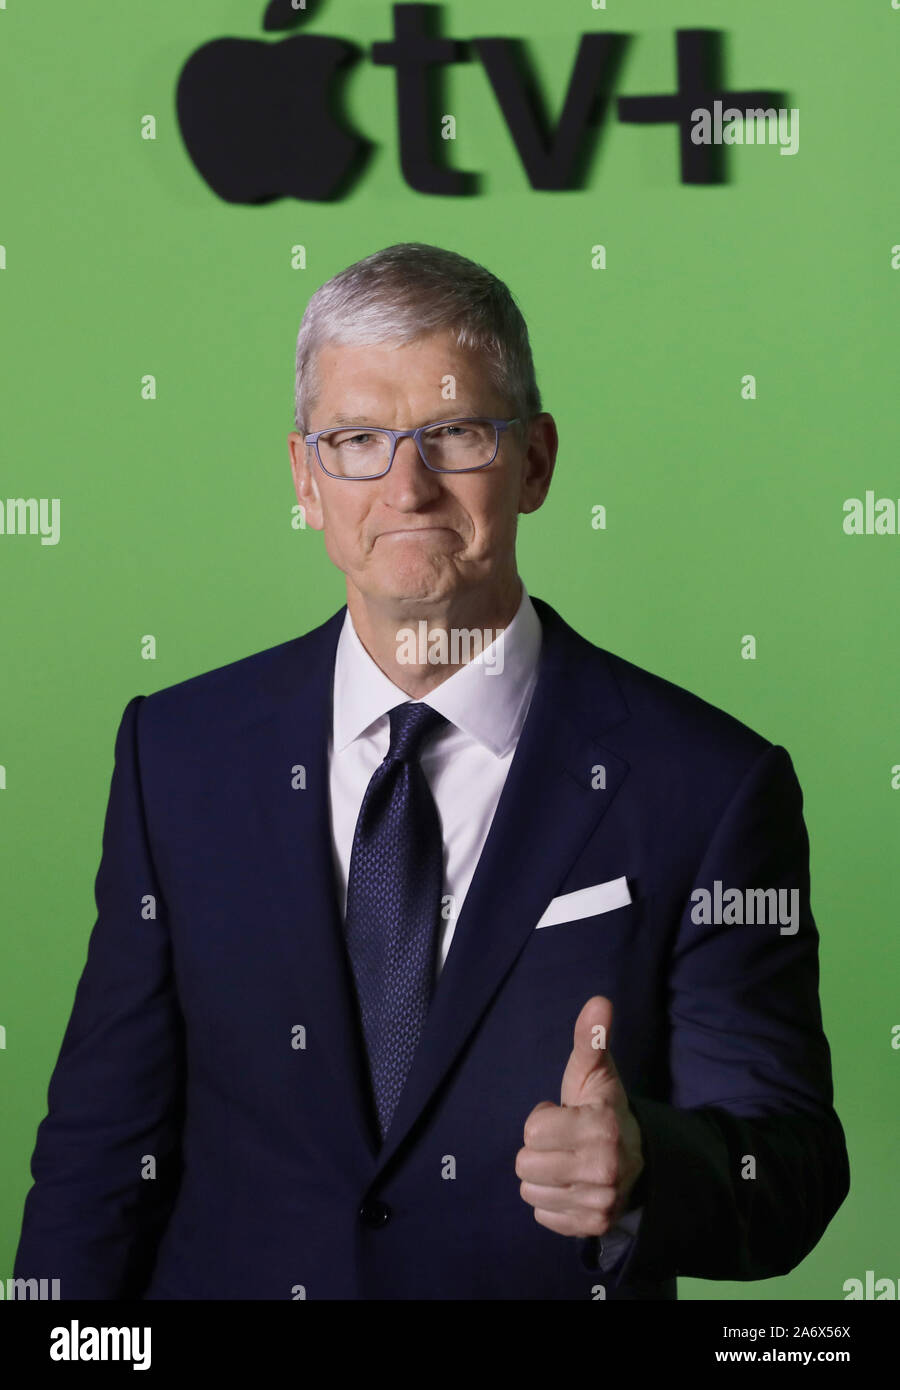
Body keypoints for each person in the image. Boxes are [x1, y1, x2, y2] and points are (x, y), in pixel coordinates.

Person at [14, 242, 849, 1300]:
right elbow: (100, 1145)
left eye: (453, 433)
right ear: (304, 479)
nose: (405, 486)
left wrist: (646, 1170)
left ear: (536, 461)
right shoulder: (176, 753)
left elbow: (791, 1166)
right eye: (357, 439)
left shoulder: (710, 783)